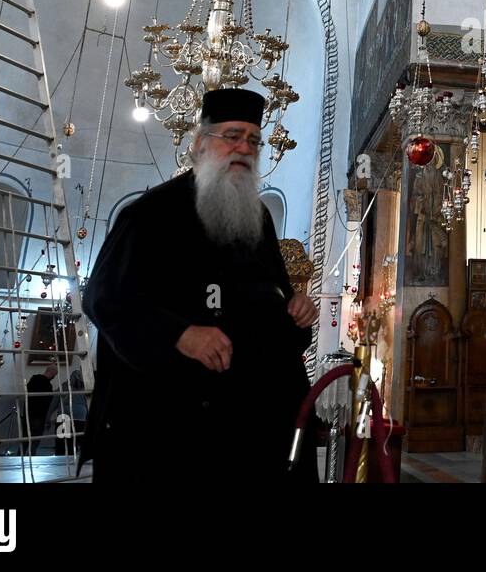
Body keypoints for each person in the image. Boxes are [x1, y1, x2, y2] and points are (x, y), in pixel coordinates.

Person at [81, 88, 320, 483]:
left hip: (248, 429)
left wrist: (297, 309)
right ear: (199, 144)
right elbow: (104, 298)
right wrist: (180, 334)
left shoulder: (257, 219)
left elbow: (272, 301)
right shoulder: (152, 213)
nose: (245, 147)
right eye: (233, 135)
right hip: (166, 429)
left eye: (254, 140)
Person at [25, 365, 57, 455]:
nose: (54, 377)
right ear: (52, 373)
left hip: (28, 413)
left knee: (25, 437)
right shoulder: (47, 385)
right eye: (55, 375)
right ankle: (31, 455)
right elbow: (48, 402)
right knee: (35, 438)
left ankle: (20, 455)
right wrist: (47, 418)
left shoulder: (33, 380)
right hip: (39, 415)